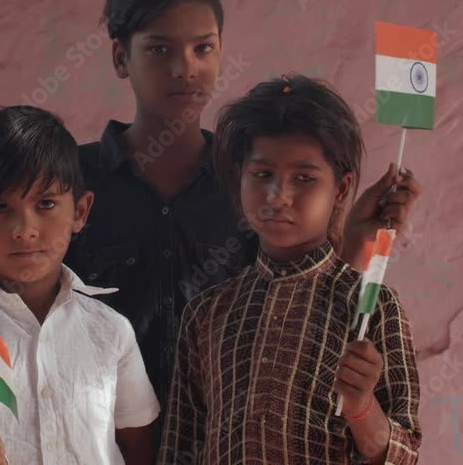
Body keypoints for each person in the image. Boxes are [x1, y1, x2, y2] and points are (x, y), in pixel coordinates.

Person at [64, 0, 422, 420]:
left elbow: (300, 312)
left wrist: (353, 240)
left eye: (202, 48)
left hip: (225, 440)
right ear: (120, 58)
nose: (184, 68)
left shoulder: (252, 182)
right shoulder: (68, 179)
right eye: (158, 49)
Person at [159, 75, 421, 464]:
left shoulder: (372, 306)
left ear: (341, 189)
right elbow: (181, 447)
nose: (278, 196)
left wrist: (362, 408)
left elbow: (404, 455)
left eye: (304, 179)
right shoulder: (207, 313)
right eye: (262, 174)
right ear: (239, 178)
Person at [0, 106, 160, 464]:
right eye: (0, 208)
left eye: (46, 203)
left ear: (80, 212)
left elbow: (137, 452)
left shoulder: (110, 332)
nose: (25, 229)